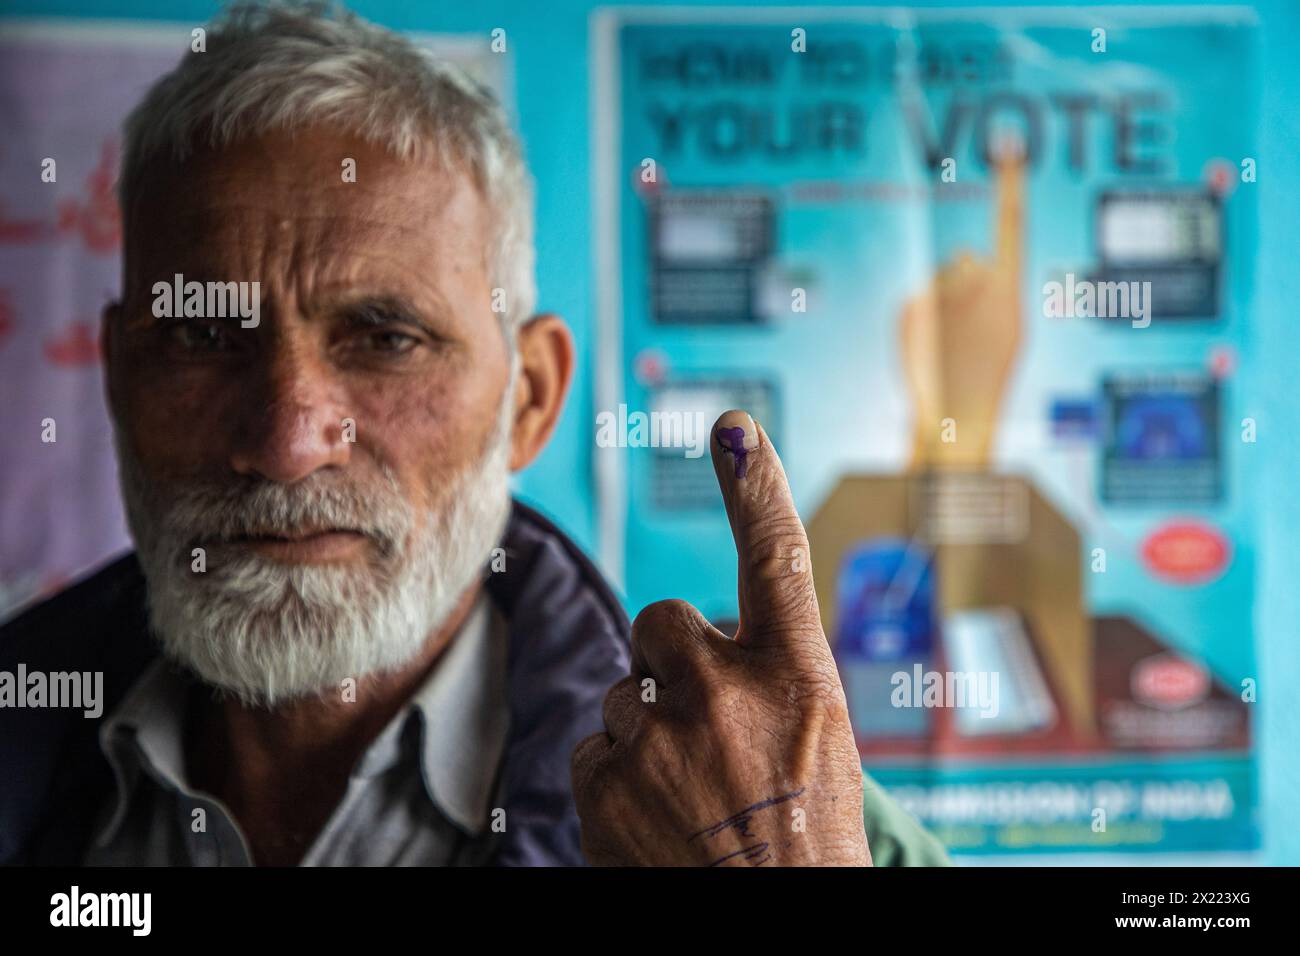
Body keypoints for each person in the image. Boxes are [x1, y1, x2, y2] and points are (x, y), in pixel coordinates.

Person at [0, 1, 949, 867]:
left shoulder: (796, 834)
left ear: (529, 399)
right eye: (203, 337)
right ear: (122, 380)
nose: (289, 444)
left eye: (386, 340)